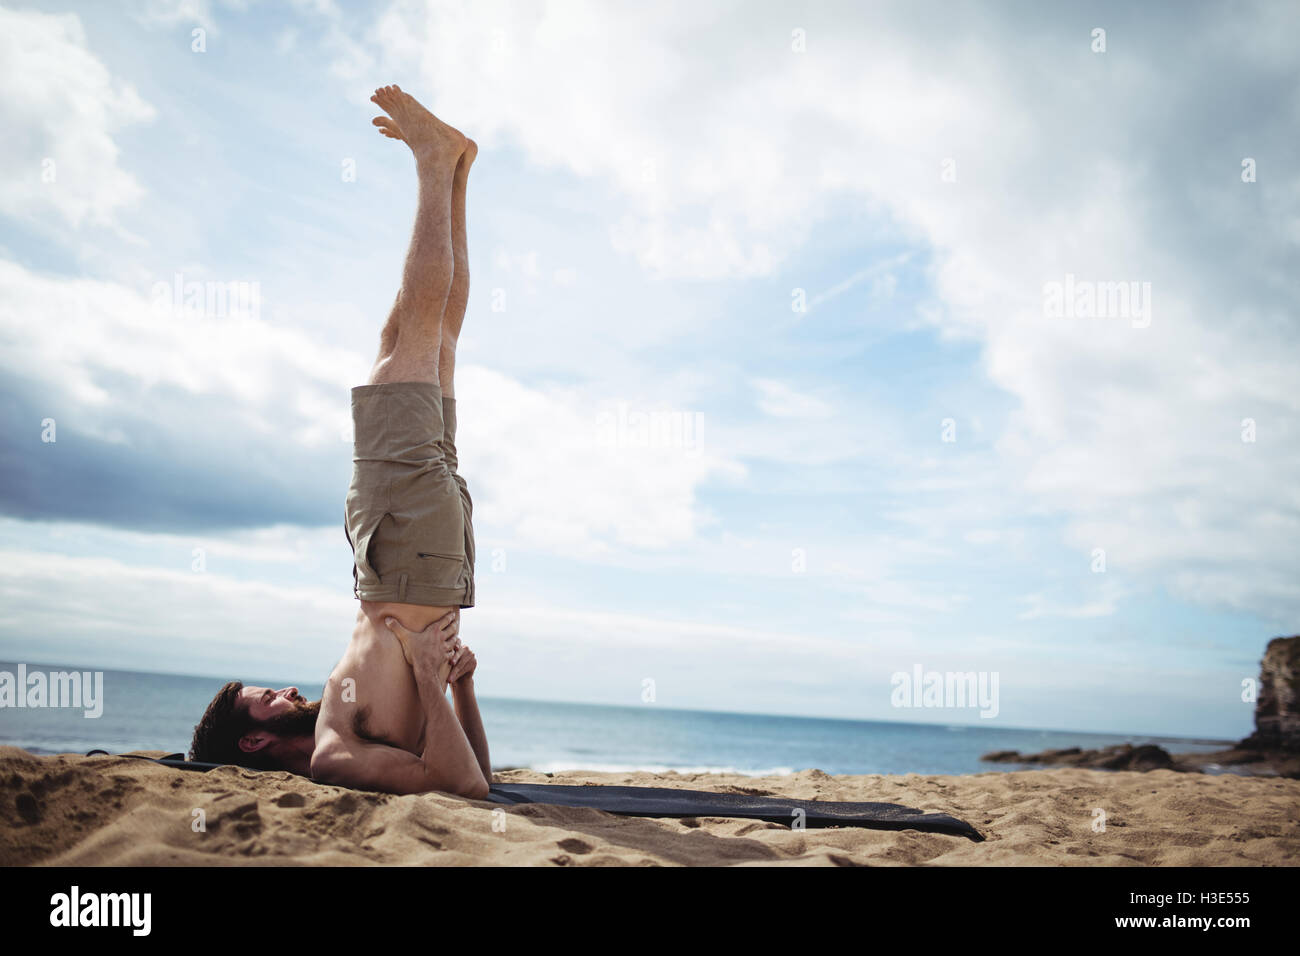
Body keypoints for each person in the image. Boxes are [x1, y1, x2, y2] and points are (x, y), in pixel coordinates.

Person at [189, 86, 490, 798]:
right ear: (254, 741)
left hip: (423, 555)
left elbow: (474, 772)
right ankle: (435, 164)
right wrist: (433, 683)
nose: (285, 689)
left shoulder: (342, 719)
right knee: (404, 345)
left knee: (432, 344)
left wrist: (461, 689)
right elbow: (468, 789)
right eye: (264, 700)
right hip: (407, 553)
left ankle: (455, 173)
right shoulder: (331, 755)